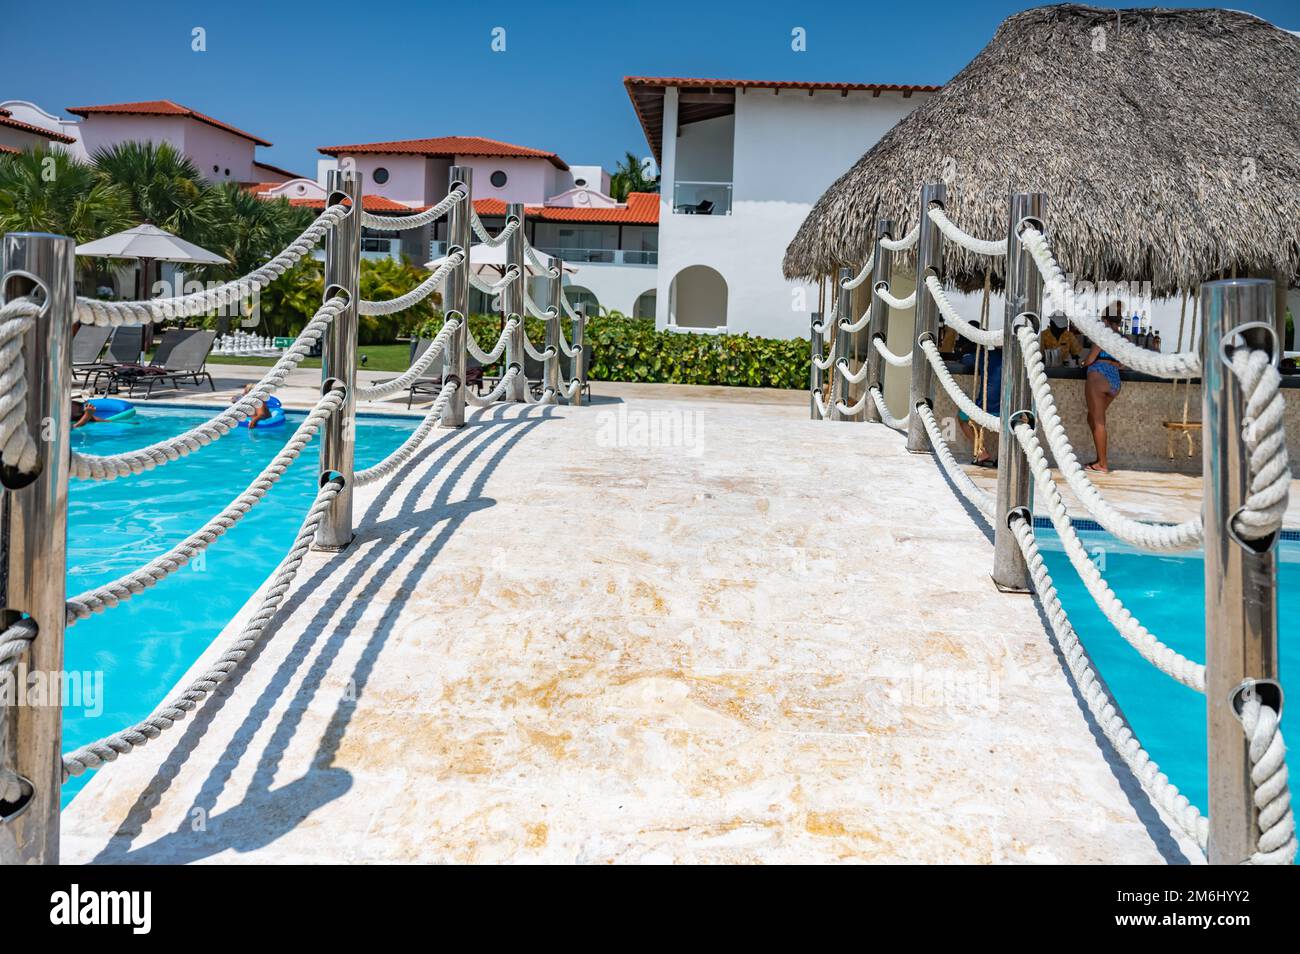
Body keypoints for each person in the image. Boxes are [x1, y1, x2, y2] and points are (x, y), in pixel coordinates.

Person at [1082, 303, 1125, 473]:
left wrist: (1083, 362)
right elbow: (1123, 363)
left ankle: (1103, 464)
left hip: (1098, 376)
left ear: (1105, 320)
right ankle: (1100, 459)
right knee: (1092, 418)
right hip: (1114, 380)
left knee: (1098, 421)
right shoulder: (1123, 338)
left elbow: (1091, 359)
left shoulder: (1103, 336)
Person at [954, 322, 1002, 468]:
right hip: (1008, 410)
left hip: (985, 408)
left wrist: (976, 346)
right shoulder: (1019, 360)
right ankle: (1004, 456)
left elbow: (966, 358)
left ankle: (981, 452)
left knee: (962, 418)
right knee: (1010, 428)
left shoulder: (987, 356)